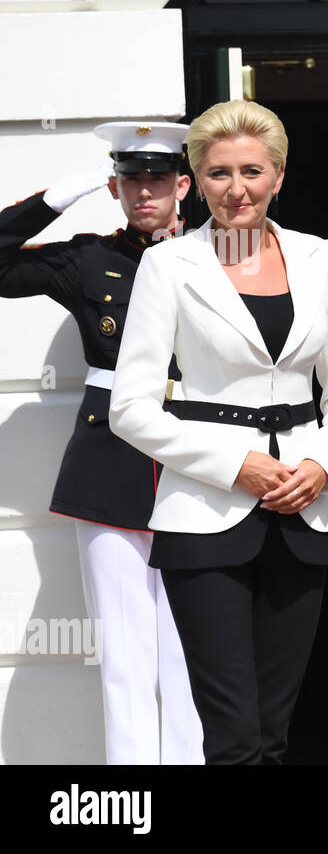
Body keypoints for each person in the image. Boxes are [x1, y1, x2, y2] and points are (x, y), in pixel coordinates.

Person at [109, 100, 328, 764]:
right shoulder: (169, 267)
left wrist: (324, 465)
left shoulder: (319, 257)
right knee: (233, 737)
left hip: (303, 511)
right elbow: (131, 408)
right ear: (196, 181)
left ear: (278, 176)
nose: (237, 188)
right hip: (203, 518)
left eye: (252, 170)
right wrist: (237, 466)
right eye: (219, 172)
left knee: (274, 735)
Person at [0, 122, 203, 764]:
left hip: (198, 463)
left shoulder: (218, 255)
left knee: (194, 650)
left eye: (158, 178)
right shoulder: (90, 258)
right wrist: (61, 196)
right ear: (116, 186)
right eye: (131, 179)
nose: (145, 191)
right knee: (124, 650)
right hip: (109, 464)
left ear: (184, 185)